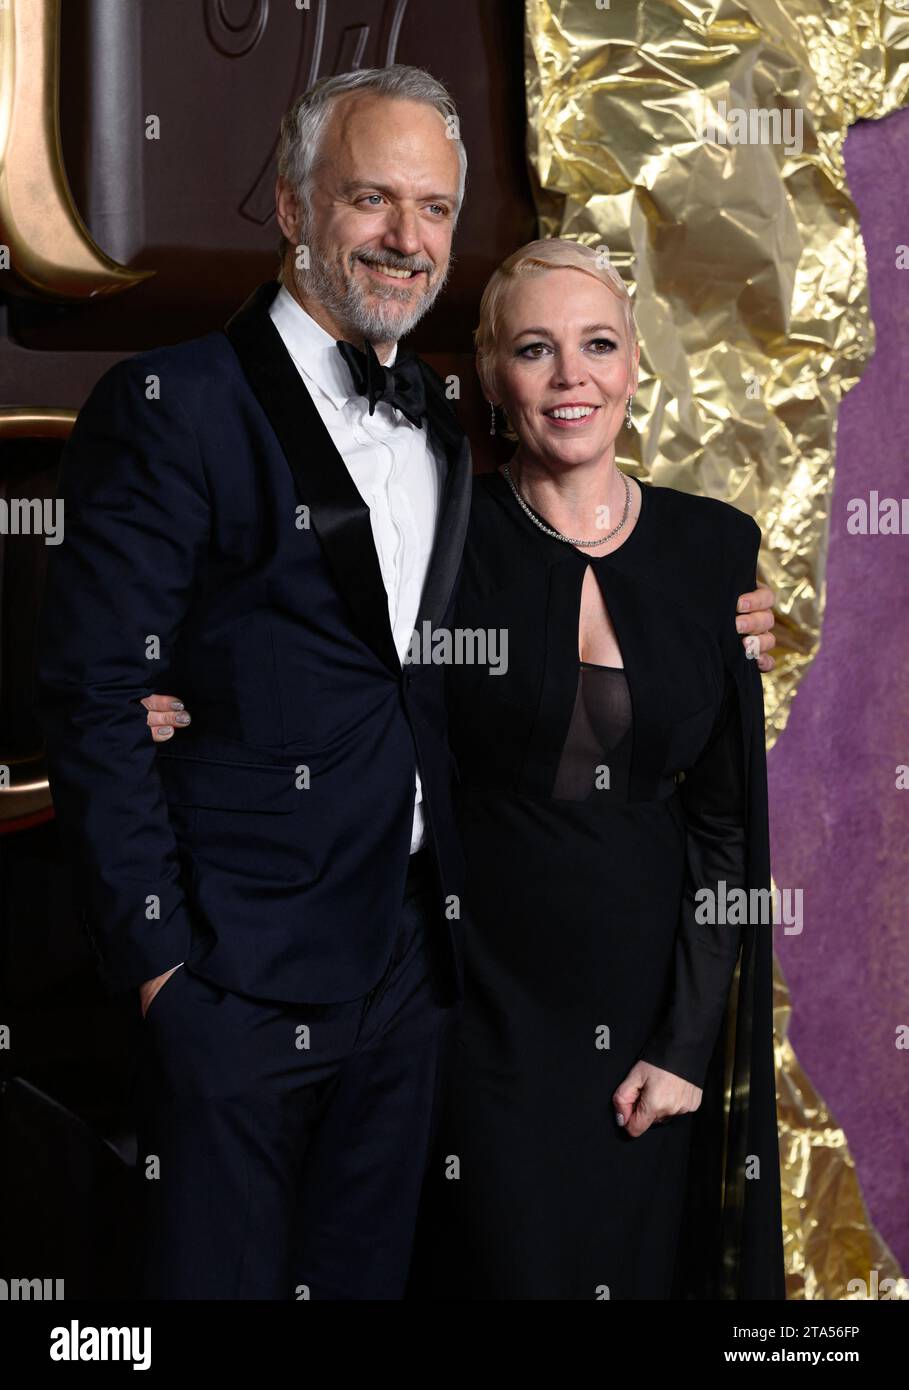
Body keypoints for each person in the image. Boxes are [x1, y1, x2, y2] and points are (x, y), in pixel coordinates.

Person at [39, 65, 778, 1301]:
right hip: (237, 984)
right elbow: (96, 691)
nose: (406, 235)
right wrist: (166, 972)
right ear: (291, 205)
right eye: (370, 198)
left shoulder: (441, 433)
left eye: (434, 209)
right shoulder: (173, 404)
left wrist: (722, 626)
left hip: (415, 989)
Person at [410, 238, 785, 1299]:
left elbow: (723, 828)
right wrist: (185, 704)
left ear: (630, 368)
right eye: (536, 349)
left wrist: (684, 1039)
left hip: (649, 1015)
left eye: (597, 344)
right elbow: (341, 698)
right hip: (480, 1018)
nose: (571, 376)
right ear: (493, 379)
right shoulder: (443, 543)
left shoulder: (715, 551)